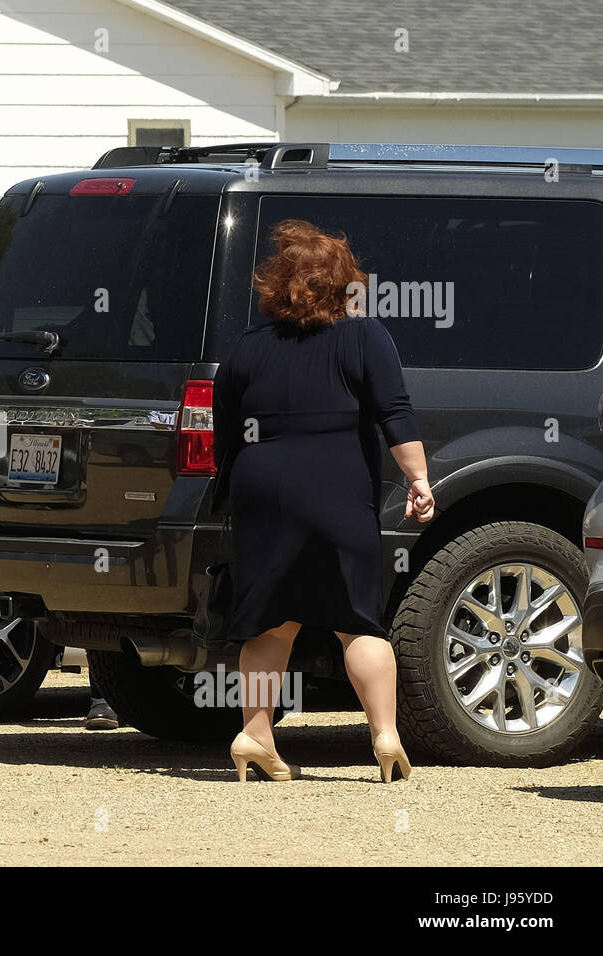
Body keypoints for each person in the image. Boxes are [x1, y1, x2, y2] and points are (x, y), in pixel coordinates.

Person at [211, 219, 435, 784]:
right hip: (336, 486)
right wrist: (419, 479)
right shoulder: (365, 337)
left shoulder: (246, 346)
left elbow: (225, 432)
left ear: (277, 282)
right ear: (344, 283)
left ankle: (254, 734)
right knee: (357, 622)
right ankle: (384, 735)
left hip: (261, 485)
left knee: (270, 623)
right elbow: (395, 414)